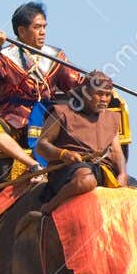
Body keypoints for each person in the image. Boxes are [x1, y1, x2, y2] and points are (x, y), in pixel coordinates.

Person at [0, 0, 85, 171]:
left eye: (44, 27)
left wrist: (96, 82)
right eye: (37, 27)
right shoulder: (5, 56)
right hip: (14, 119)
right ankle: (32, 165)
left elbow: (76, 85)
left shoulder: (55, 55)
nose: (43, 32)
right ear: (22, 31)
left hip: (47, 117)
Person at [34, 70, 126, 209]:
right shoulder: (61, 113)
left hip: (104, 171)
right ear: (86, 93)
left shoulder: (111, 118)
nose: (104, 99)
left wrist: (122, 174)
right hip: (70, 170)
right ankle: (50, 206)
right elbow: (41, 146)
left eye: (107, 95)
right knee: (86, 181)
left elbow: (117, 152)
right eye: (99, 94)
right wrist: (63, 154)